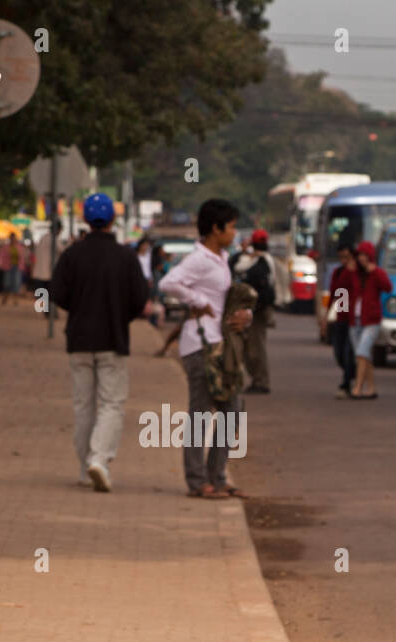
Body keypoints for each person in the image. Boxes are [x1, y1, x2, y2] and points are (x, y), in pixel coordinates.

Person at [49, 192, 150, 492]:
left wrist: (80, 309)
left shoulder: (71, 255)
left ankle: (85, 467)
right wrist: (121, 316)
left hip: (78, 339)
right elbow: (140, 300)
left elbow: (58, 294)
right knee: (111, 404)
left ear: (85, 220)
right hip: (113, 340)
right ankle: (99, 460)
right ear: (113, 220)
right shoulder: (126, 257)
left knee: (83, 406)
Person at [158, 198, 253, 499]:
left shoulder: (221, 258)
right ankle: (198, 481)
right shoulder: (199, 259)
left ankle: (217, 475)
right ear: (216, 228)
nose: (234, 233)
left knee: (231, 410)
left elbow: (224, 300)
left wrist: (243, 315)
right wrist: (198, 303)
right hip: (198, 345)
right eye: (232, 226)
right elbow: (169, 283)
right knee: (201, 412)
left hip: (219, 343)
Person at [231, 228, 276, 394]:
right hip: (248, 310)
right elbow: (233, 265)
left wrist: (254, 308)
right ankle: (256, 379)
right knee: (248, 348)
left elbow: (266, 292)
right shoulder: (248, 260)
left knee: (256, 348)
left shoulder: (263, 263)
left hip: (257, 312)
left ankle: (261, 382)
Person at [349, 240, 392, 399]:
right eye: (359, 255)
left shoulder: (377, 272)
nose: (361, 258)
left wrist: (376, 272)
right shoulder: (354, 273)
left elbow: (388, 287)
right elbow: (342, 290)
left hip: (371, 320)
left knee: (362, 353)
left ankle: (358, 387)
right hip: (355, 319)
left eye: (364, 255)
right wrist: (341, 313)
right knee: (364, 355)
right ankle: (372, 388)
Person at [329, 243, 358, 398]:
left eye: (347, 257)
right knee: (338, 352)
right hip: (341, 316)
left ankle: (347, 381)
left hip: (354, 319)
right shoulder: (339, 272)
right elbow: (336, 291)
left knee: (349, 352)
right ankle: (349, 375)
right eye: (341, 258)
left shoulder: (357, 273)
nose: (344, 261)